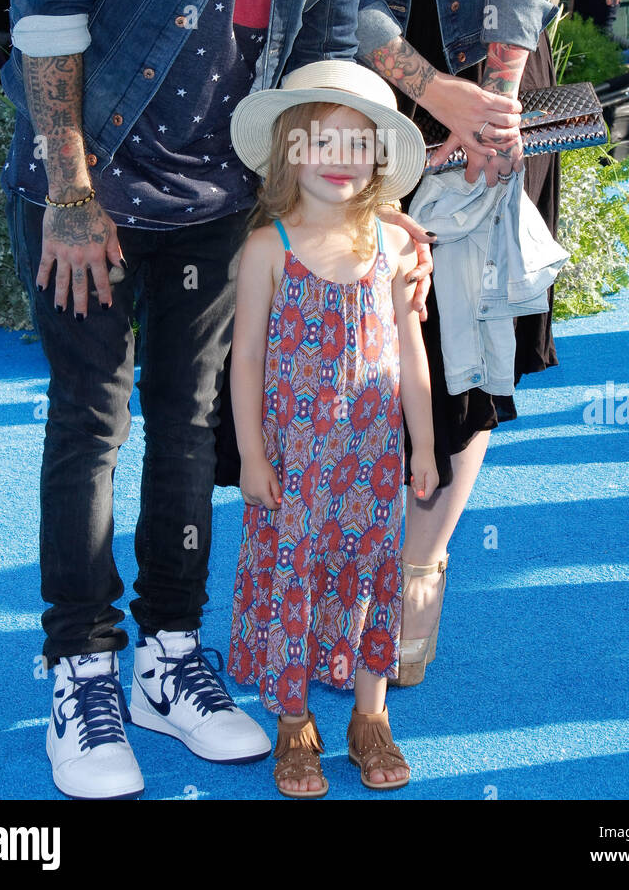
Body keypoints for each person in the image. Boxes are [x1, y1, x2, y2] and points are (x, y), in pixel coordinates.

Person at [0, 0, 395, 800]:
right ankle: (80, 666)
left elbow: (324, 71)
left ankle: (172, 659)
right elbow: (52, 13)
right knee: (94, 418)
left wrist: (357, 219)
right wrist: (72, 193)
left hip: (215, 200)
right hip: (91, 186)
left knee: (187, 424)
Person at [332, 0, 560, 685]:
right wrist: (433, 93)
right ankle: (348, 568)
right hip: (365, 105)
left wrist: (497, 95)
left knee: (467, 357)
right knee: (366, 358)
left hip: (494, 98)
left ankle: (417, 571)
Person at [226, 60, 439, 797]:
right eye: (321, 142)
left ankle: (370, 718)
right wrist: (252, 455)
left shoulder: (395, 248)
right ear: (288, 151)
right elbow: (245, 359)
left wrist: (425, 446)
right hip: (295, 463)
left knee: (373, 575)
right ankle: (293, 724)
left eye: (357, 145)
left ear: (379, 158)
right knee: (294, 576)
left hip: (373, 466)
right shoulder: (266, 250)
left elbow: (412, 357)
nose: (339, 161)